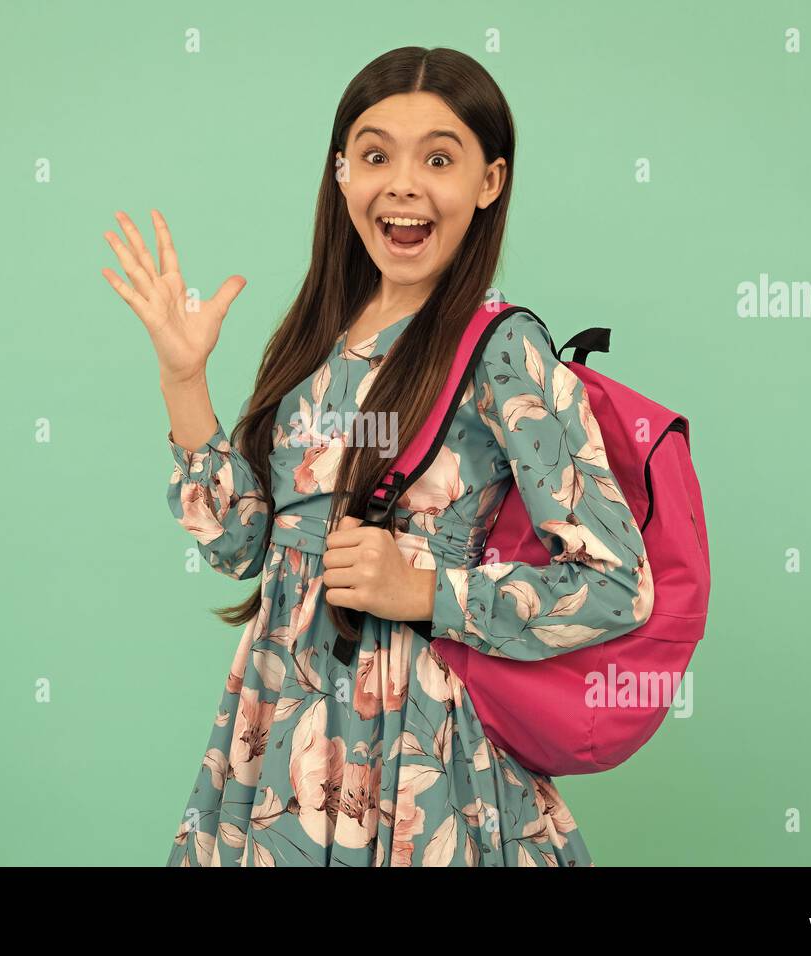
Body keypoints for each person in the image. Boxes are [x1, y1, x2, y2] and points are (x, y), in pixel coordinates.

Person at [102, 46, 653, 867]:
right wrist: (185, 381)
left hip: (415, 747)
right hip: (279, 734)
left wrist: (421, 589)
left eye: (439, 157)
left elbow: (617, 585)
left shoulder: (505, 350)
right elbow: (243, 547)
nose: (402, 182)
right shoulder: (317, 337)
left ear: (489, 183)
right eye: (374, 154)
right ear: (341, 174)